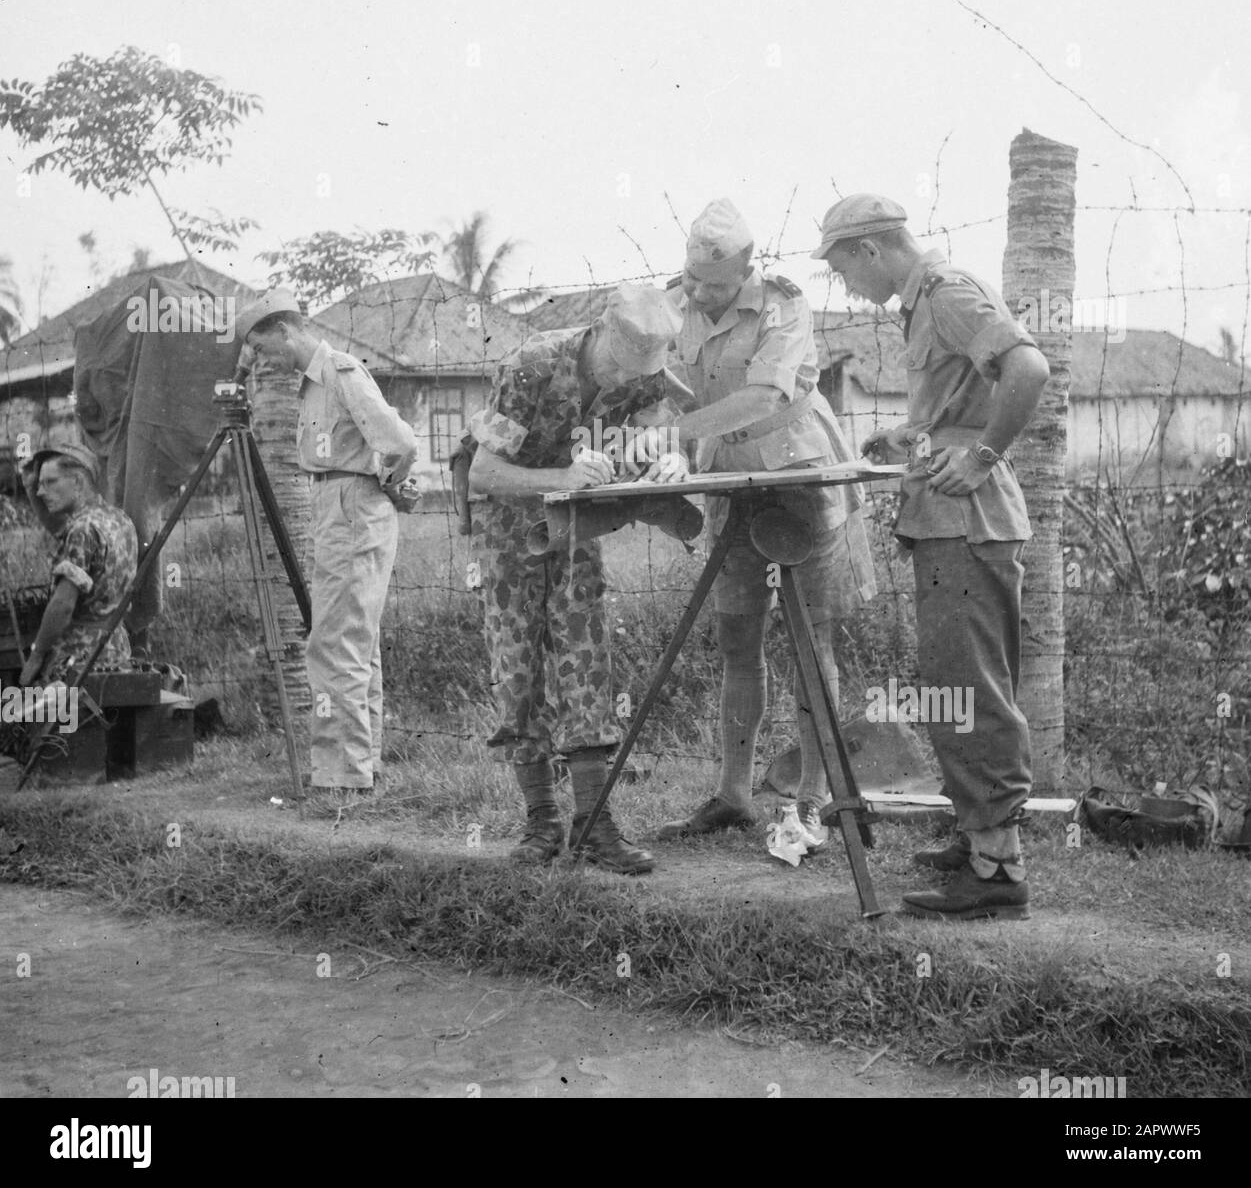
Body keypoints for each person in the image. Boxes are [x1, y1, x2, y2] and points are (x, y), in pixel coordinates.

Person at [812, 192, 1050, 920]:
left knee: (970, 686)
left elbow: (1029, 370)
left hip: (968, 520)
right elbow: (962, 402)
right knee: (954, 679)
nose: (848, 286)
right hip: (950, 520)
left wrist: (979, 457)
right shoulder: (922, 305)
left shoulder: (945, 294)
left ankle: (995, 868)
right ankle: (979, 833)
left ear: (870, 251)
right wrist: (916, 436)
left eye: (843, 269)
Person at [650, 198, 879, 845]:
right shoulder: (680, 300)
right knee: (735, 639)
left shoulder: (784, 305)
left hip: (797, 475)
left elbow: (765, 395)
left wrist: (682, 432)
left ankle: (811, 799)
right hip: (729, 481)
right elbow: (657, 376)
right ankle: (733, 793)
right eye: (691, 279)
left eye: (713, 285)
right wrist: (664, 430)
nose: (698, 293)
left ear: (748, 268)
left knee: (812, 644)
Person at [466, 283, 690, 874]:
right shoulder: (532, 365)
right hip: (510, 527)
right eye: (618, 364)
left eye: (637, 370)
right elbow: (484, 473)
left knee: (586, 660)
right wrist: (560, 475)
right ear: (599, 330)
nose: (625, 380)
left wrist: (671, 460)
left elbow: (657, 431)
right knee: (518, 669)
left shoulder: (644, 373)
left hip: (575, 528)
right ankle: (541, 823)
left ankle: (594, 826)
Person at [236, 289, 419, 804]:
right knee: (351, 639)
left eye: (260, 346)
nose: (260, 358)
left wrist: (385, 482)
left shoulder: (339, 373)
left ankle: (343, 777)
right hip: (335, 505)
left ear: (284, 331)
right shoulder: (310, 387)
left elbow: (400, 443)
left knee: (335, 642)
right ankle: (361, 768)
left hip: (352, 506)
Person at [18, 443, 138, 687]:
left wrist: (37, 653)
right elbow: (63, 532)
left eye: (50, 482)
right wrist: (31, 489)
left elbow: (62, 606)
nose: (41, 492)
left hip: (77, 661)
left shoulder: (82, 530)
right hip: (115, 651)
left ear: (78, 483)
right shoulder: (119, 519)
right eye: (40, 485)